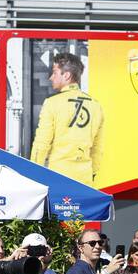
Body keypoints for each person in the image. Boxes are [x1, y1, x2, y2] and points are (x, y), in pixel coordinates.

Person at [30, 52, 104, 184]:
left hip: (58, 178)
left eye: (54, 72)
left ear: (67, 75)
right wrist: (92, 174)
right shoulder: (96, 105)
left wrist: (33, 173)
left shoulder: (51, 103)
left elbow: (41, 144)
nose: (51, 77)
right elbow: (97, 149)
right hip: (85, 180)